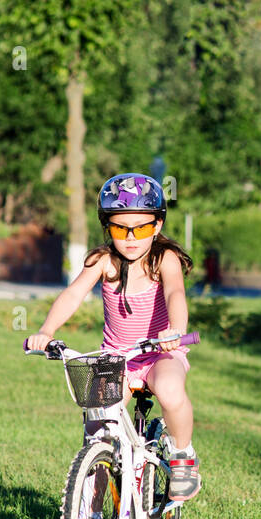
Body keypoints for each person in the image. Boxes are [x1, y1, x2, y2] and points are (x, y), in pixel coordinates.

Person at [26, 173, 201, 499]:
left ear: (158, 225)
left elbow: (176, 293)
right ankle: (89, 513)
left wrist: (175, 330)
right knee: (100, 428)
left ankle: (182, 457)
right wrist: (46, 331)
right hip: (117, 356)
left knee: (168, 387)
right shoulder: (104, 261)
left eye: (142, 228)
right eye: (121, 228)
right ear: (108, 227)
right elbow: (73, 294)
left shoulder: (164, 259)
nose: (131, 237)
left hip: (160, 353)